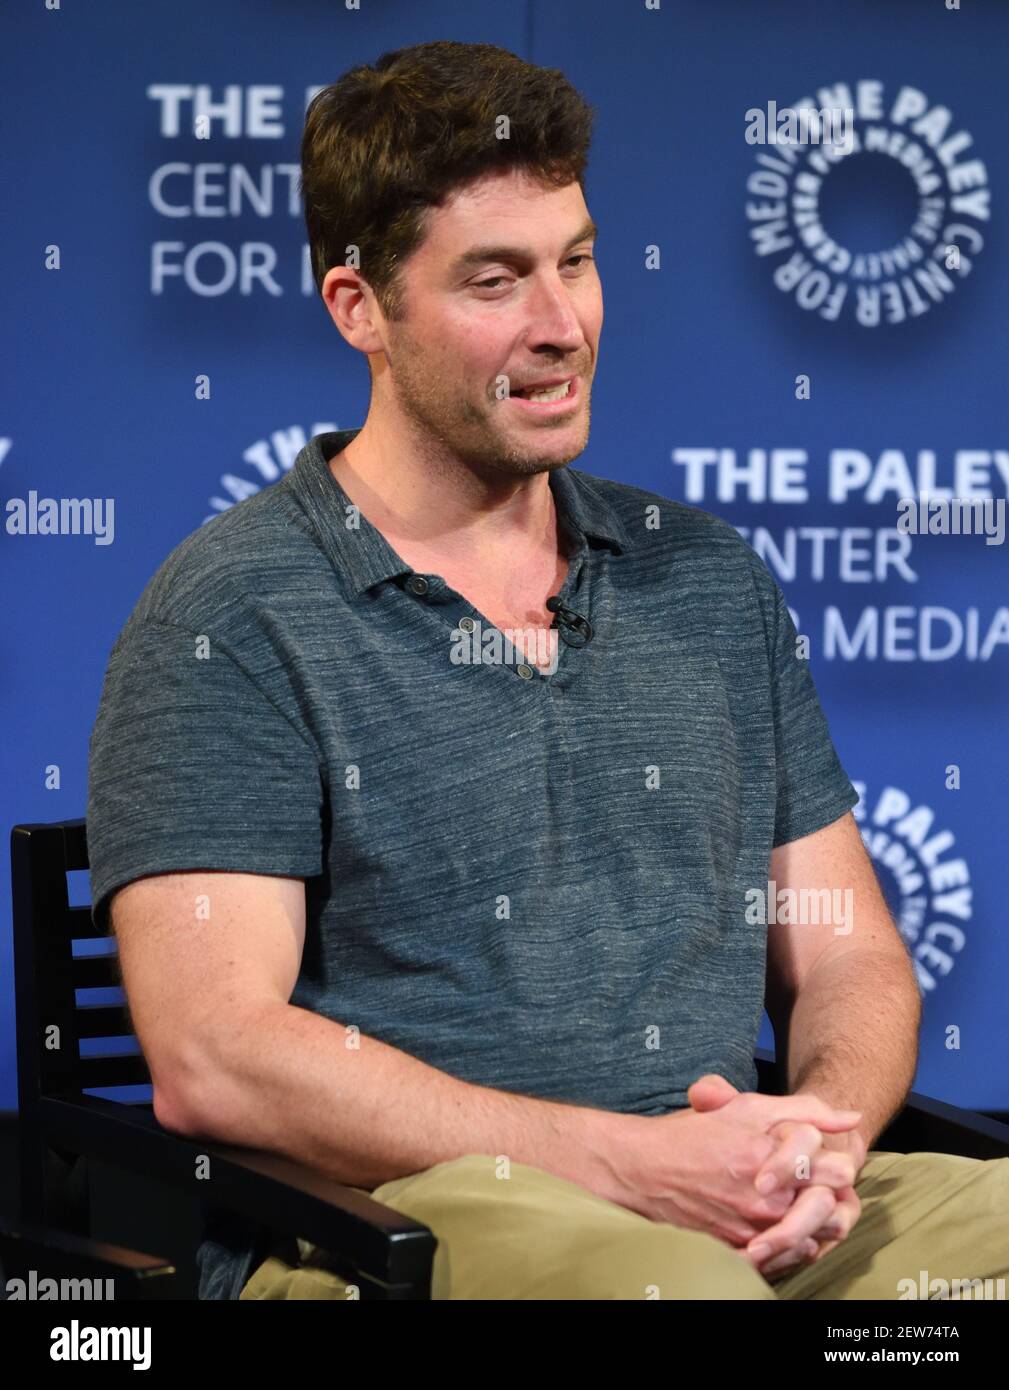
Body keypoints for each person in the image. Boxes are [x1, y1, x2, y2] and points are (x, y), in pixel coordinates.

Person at [87, 40, 1008, 1300]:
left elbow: (844, 949)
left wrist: (815, 1143)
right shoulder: (236, 611)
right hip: (386, 1229)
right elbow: (215, 1056)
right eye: (494, 280)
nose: (561, 323)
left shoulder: (706, 576)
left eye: (574, 260)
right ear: (360, 308)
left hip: (728, 1197)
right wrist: (630, 1169)